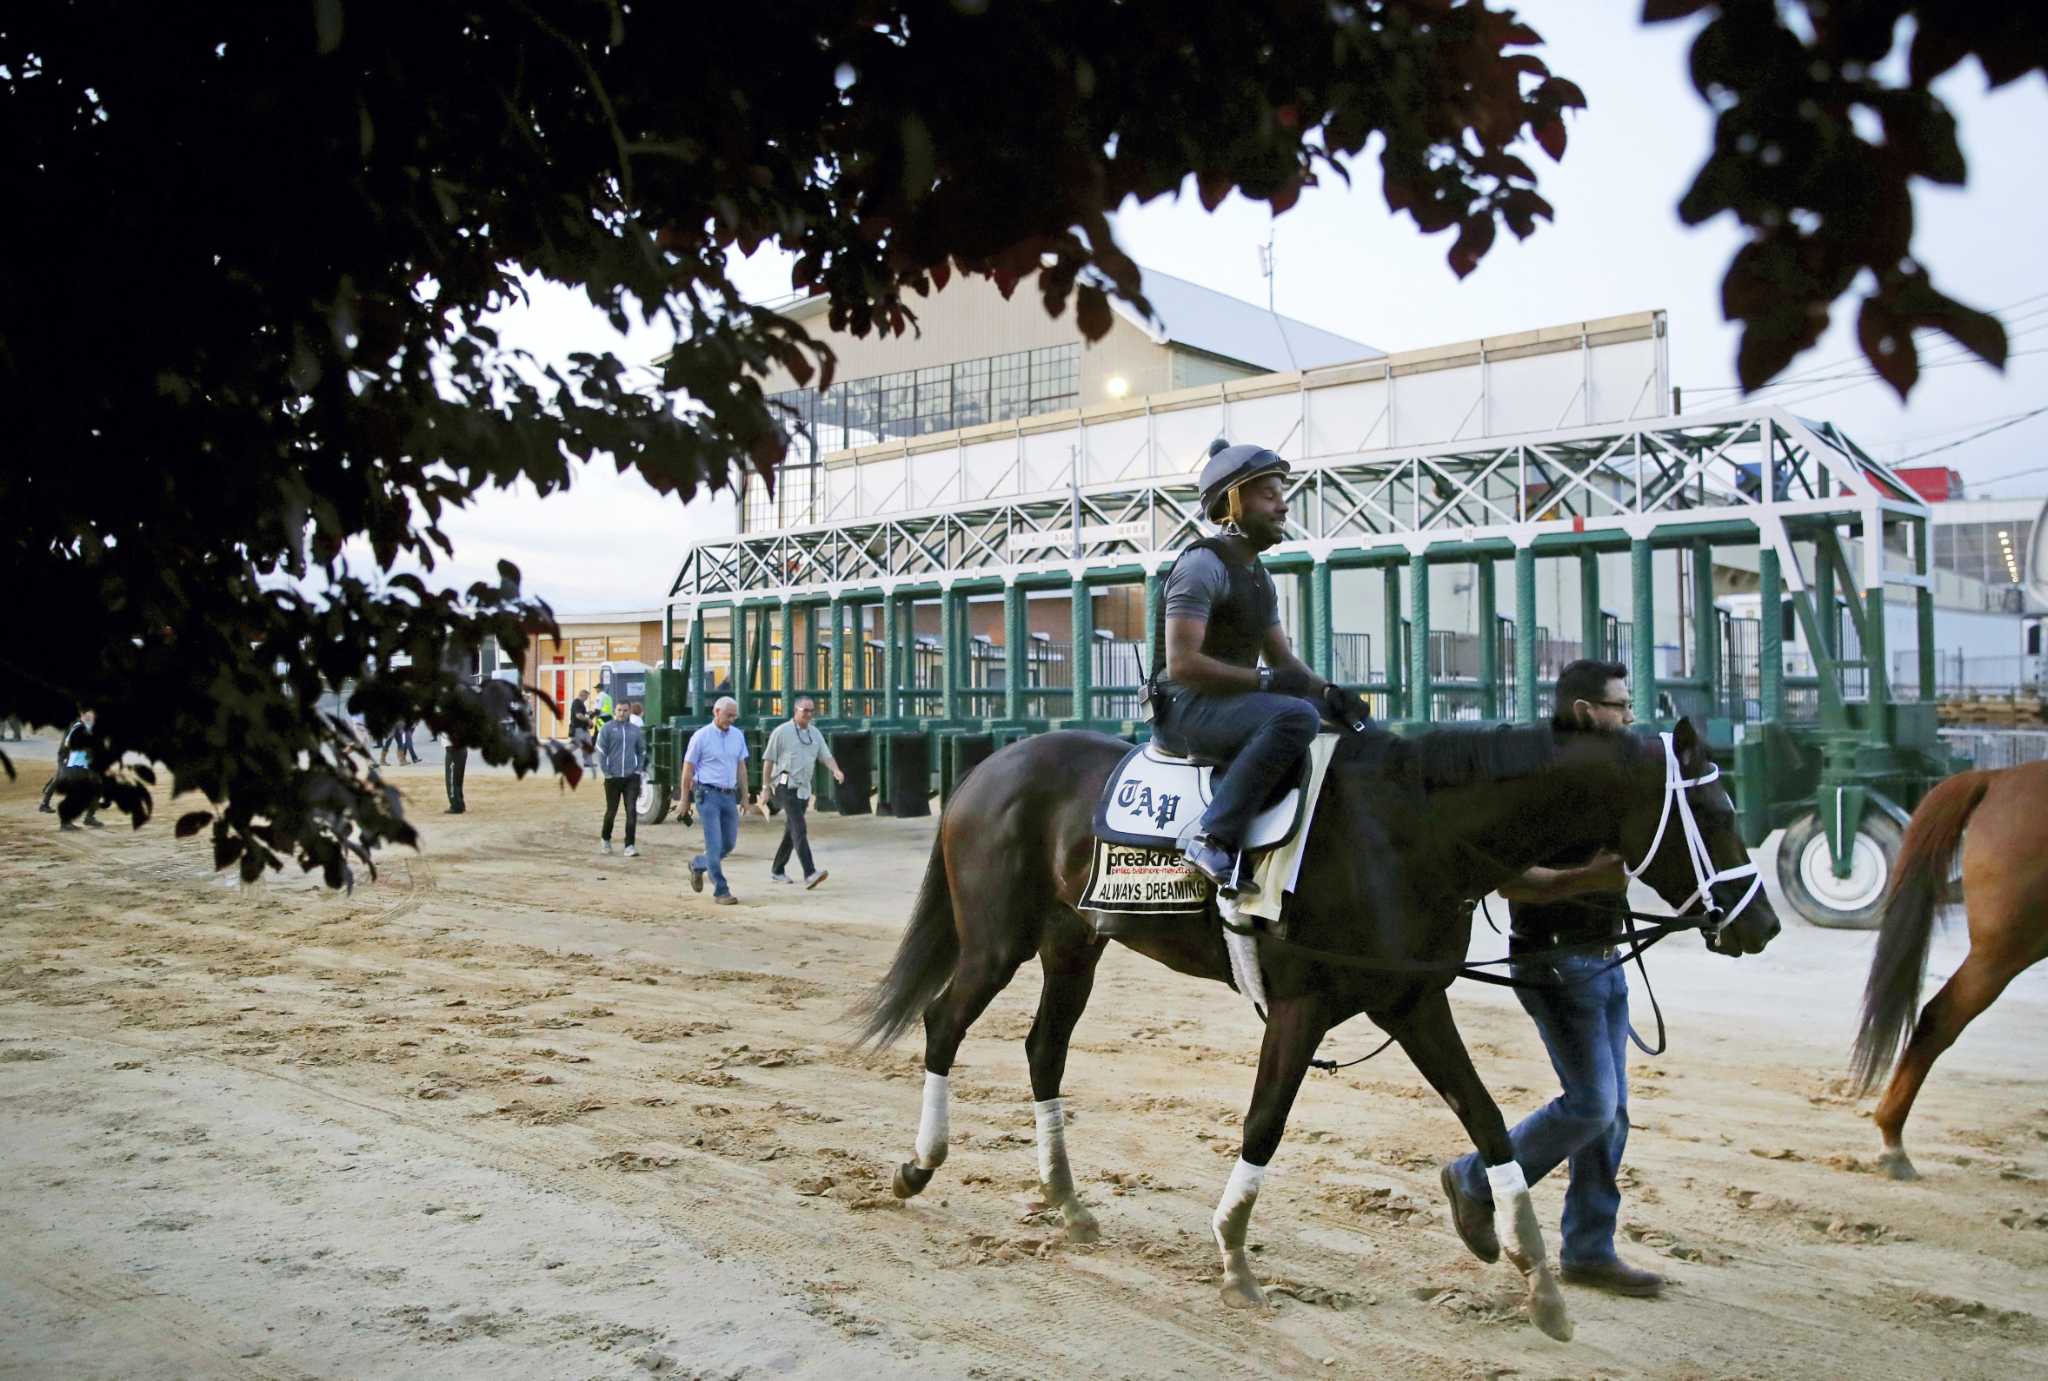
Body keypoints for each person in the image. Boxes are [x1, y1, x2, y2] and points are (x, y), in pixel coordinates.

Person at [1439, 659, 1663, 1298]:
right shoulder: (1533, 778)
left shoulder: (1605, 774)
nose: (1629, 716)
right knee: (1591, 1104)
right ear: (1589, 711)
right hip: (1555, 960)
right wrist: (1587, 879)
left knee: (1611, 1114)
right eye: (1621, 706)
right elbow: (1505, 878)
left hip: (1605, 953)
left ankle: (1590, 1249)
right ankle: (1476, 1178)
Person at [1149, 439, 1372, 897]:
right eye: (1269, 495)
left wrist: (1334, 693)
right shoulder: (1201, 567)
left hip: (1229, 702)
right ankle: (1212, 836)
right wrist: (1268, 682)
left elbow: (1285, 663)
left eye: (1281, 494)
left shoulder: (1258, 577)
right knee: (1295, 715)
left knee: (1341, 719)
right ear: (1232, 502)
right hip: (1183, 709)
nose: (1282, 505)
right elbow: (1182, 664)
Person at [762, 696, 844, 888]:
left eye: (811, 711)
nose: (808, 714)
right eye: (804, 710)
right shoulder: (781, 732)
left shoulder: (814, 733)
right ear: (795, 710)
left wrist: (836, 770)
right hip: (784, 784)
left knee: (791, 831)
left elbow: (825, 755)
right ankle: (809, 873)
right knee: (800, 827)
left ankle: (777, 870)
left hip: (803, 789)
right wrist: (766, 788)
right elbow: (768, 760)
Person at [680, 695, 754, 904]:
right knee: (714, 844)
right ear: (716, 712)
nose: (731, 719)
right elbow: (688, 769)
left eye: (734, 716)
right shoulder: (701, 737)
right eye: (728, 715)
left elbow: (741, 768)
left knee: (728, 844)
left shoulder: (738, 736)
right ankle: (721, 890)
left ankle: (698, 864)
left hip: (729, 795)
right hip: (707, 794)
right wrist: (685, 800)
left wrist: (745, 797)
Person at [597, 699, 649, 857]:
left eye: (625, 710)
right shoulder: (607, 729)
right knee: (611, 811)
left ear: (629, 712)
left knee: (631, 811)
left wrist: (638, 770)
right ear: (615, 711)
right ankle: (605, 839)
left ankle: (630, 845)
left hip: (630, 777)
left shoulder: (635, 730)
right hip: (612, 778)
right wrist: (606, 772)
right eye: (619, 710)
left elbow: (642, 751)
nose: (622, 713)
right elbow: (601, 750)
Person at [40, 707, 104, 831]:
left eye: (91, 713)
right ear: (82, 715)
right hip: (76, 764)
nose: (90, 716)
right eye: (87, 714)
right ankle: (65, 822)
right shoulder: (78, 727)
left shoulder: (92, 727)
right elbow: (69, 743)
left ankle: (89, 817)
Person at [569, 689, 594, 762]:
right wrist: (588, 720)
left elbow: (580, 713)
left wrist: (587, 713)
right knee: (577, 745)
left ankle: (588, 762)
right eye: (586, 697)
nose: (586, 699)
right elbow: (578, 715)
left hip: (582, 728)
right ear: (582, 695)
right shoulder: (577, 703)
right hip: (578, 728)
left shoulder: (579, 703)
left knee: (586, 744)